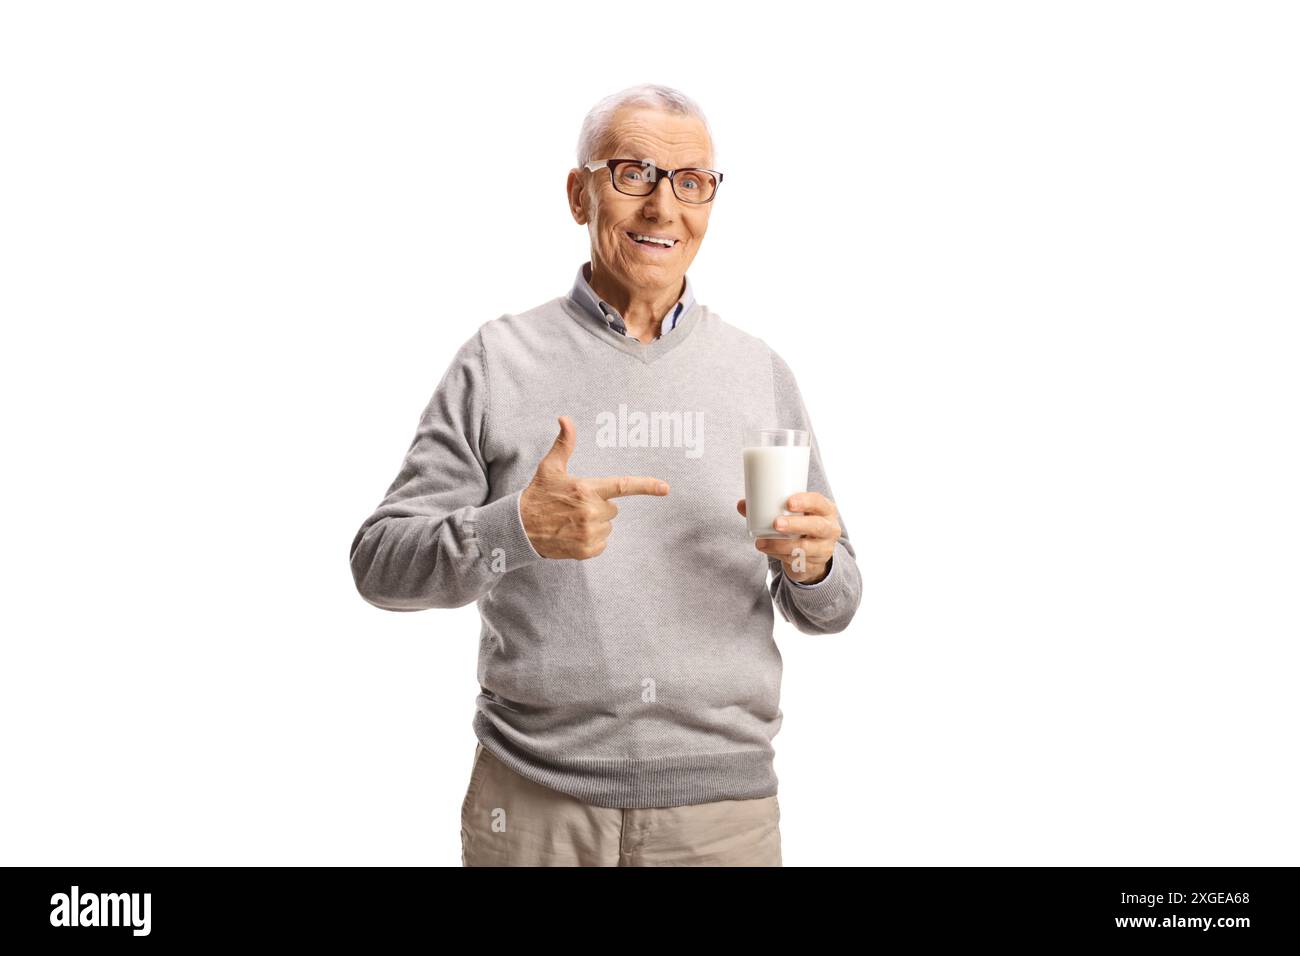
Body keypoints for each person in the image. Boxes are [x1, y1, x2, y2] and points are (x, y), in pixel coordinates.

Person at [349, 83, 862, 866]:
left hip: (725, 818)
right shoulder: (499, 361)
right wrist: (514, 528)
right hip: (533, 808)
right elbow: (381, 564)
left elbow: (831, 604)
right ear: (578, 192)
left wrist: (813, 563)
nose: (664, 208)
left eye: (692, 182)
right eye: (634, 174)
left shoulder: (760, 373)